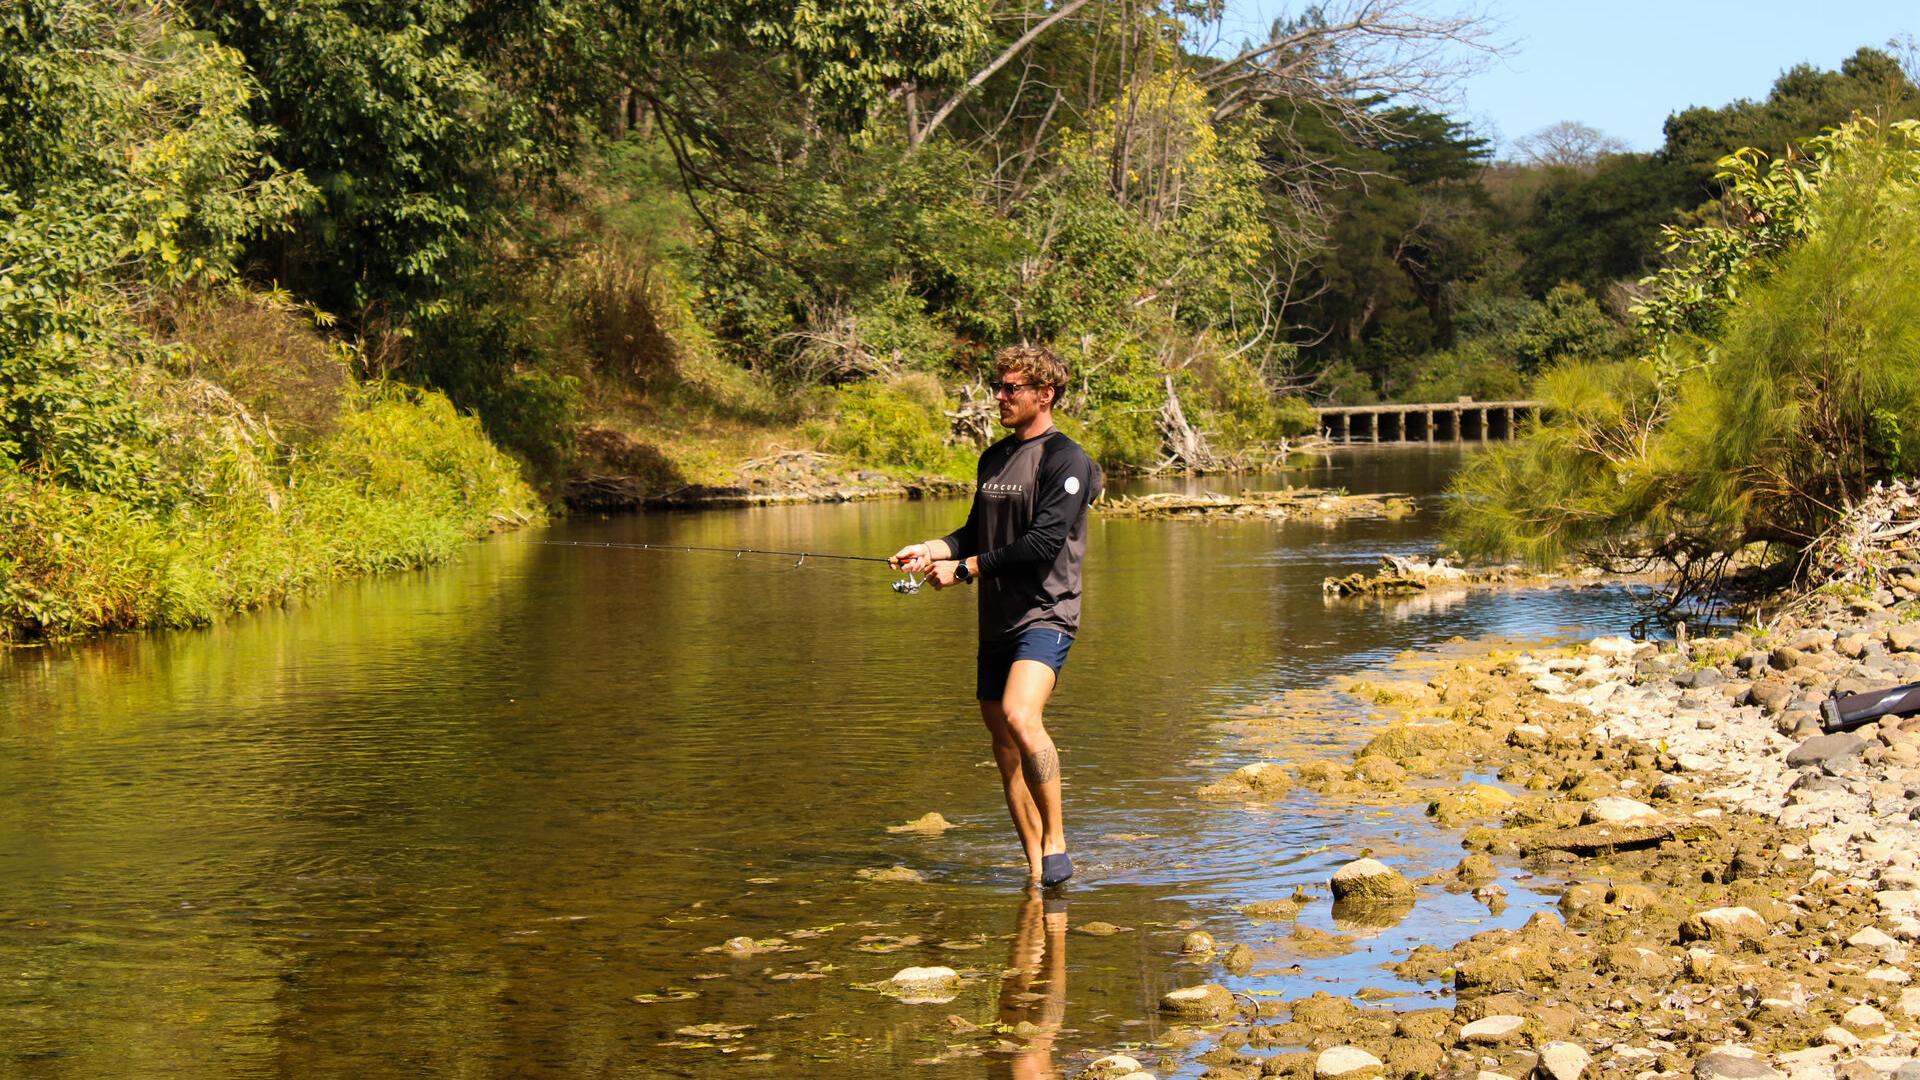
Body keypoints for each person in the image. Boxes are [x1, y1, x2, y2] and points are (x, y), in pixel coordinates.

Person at [890, 344, 1101, 888]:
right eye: (999, 386)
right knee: (1004, 745)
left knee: (1021, 716)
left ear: (1044, 395)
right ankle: (1036, 871)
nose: (999, 397)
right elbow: (975, 533)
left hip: (1047, 611)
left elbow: (1043, 541)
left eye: (1011, 388)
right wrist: (933, 549)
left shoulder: (1067, 460)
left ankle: (1056, 841)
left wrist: (964, 571)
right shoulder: (994, 458)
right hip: (997, 620)